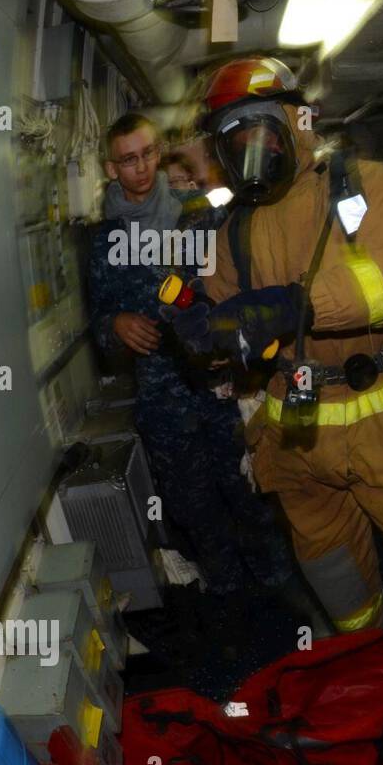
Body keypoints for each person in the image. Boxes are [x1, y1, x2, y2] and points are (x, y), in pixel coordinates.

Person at [170, 56, 383, 660]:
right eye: (234, 139)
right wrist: (204, 338)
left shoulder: (368, 184)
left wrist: (301, 304)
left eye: (260, 131)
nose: (251, 152)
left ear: (295, 123)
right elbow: (230, 320)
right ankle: (362, 663)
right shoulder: (232, 230)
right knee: (328, 563)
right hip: (294, 433)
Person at [87, 113, 298, 622]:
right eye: (128, 160)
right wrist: (114, 323)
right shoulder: (103, 238)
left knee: (244, 479)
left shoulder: (200, 213)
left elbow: (239, 279)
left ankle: (277, 578)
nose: (140, 168)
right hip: (161, 391)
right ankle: (225, 586)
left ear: (159, 155)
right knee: (189, 496)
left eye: (148, 154)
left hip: (217, 374)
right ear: (112, 168)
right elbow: (95, 321)